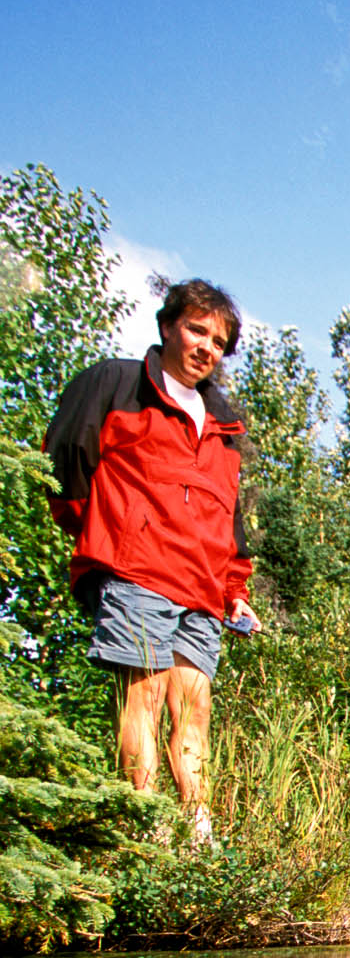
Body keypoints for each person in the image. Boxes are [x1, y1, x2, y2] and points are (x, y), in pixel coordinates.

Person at [43, 278, 262, 845]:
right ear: (168, 326)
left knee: (194, 708)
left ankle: (197, 836)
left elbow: (228, 518)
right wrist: (103, 531)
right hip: (135, 571)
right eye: (196, 330)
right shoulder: (116, 384)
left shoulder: (224, 428)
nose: (205, 347)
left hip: (203, 588)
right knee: (142, 697)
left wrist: (234, 588)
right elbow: (66, 457)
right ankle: (145, 834)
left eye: (218, 341)